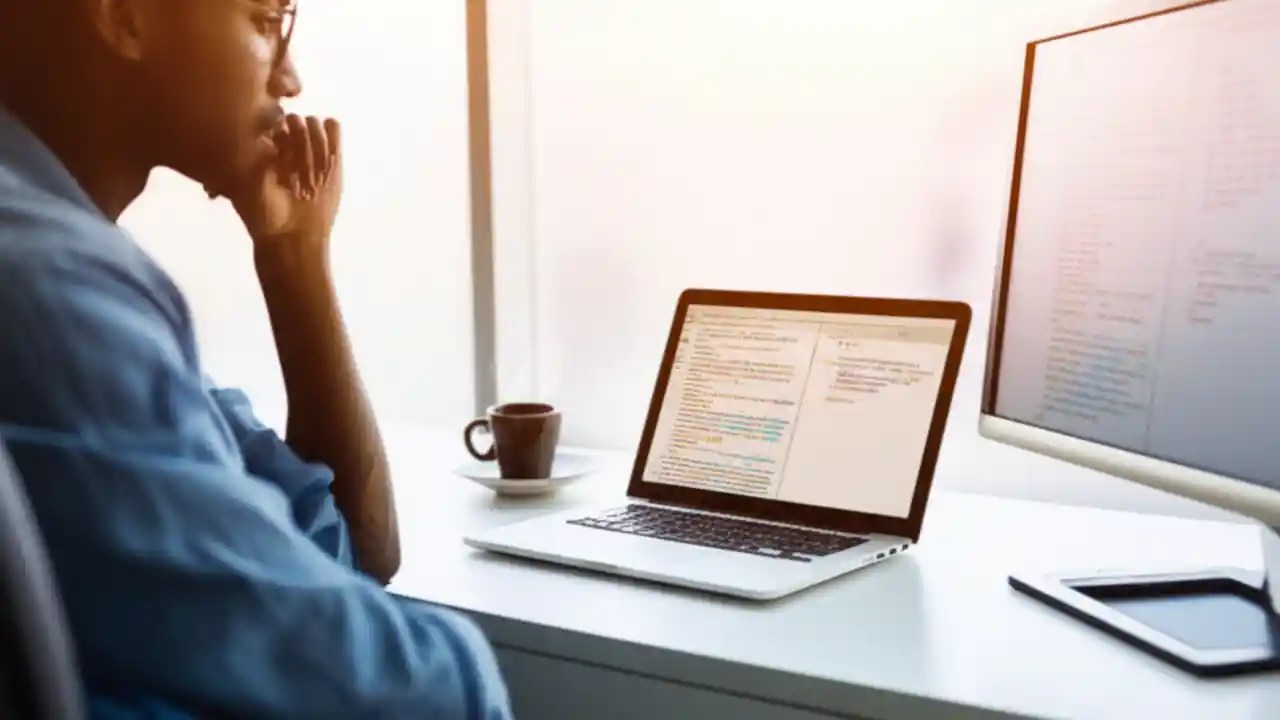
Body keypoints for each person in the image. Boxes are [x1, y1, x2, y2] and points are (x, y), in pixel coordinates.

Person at [0, 0, 511, 717]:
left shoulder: (68, 277)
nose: (292, 79)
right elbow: (390, 685)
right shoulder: (54, 288)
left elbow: (351, 548)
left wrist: (294, 258)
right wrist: (468, 675)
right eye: (267, 21)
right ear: (123, 16)